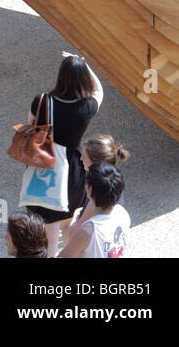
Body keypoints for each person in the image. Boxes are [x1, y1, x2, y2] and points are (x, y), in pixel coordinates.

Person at [22, 51, 104, 256]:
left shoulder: (41, 101)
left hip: (44, 166)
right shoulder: (86, 107)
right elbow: (99, 90)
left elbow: (30, 126)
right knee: (67, 223)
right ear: (82, 78)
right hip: (73, 169)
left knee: (49, 227)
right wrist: (85, 65)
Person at [59, 162, 129, 258]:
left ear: (90, 189)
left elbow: (64, 256)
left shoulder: (89, 230)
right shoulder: (122, 214)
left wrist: (74, 221)